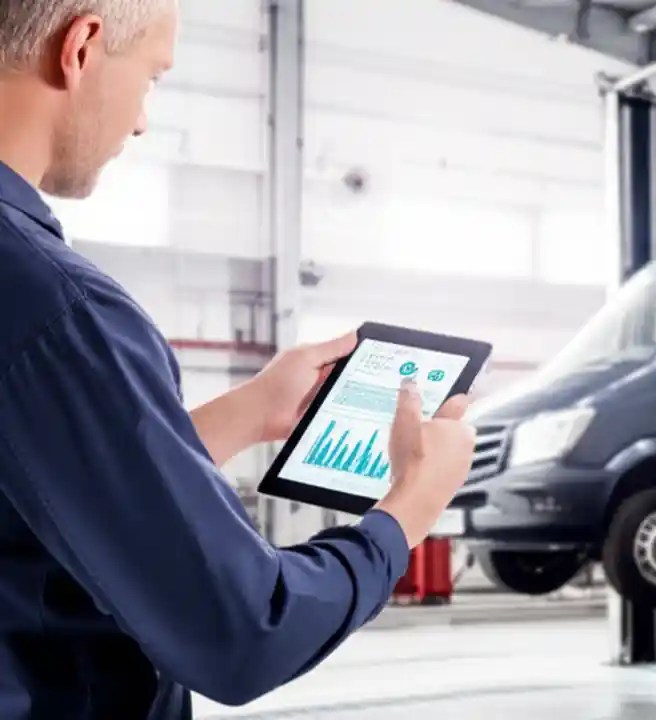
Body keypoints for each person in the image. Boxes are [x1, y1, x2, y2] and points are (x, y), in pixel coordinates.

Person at [0, 2, 477, 718]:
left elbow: (38, 494)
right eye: (152, 77)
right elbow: (246, 630)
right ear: (82, 46)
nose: (141, 121)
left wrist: (246, 415)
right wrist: (408, 508)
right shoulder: (58, 306)